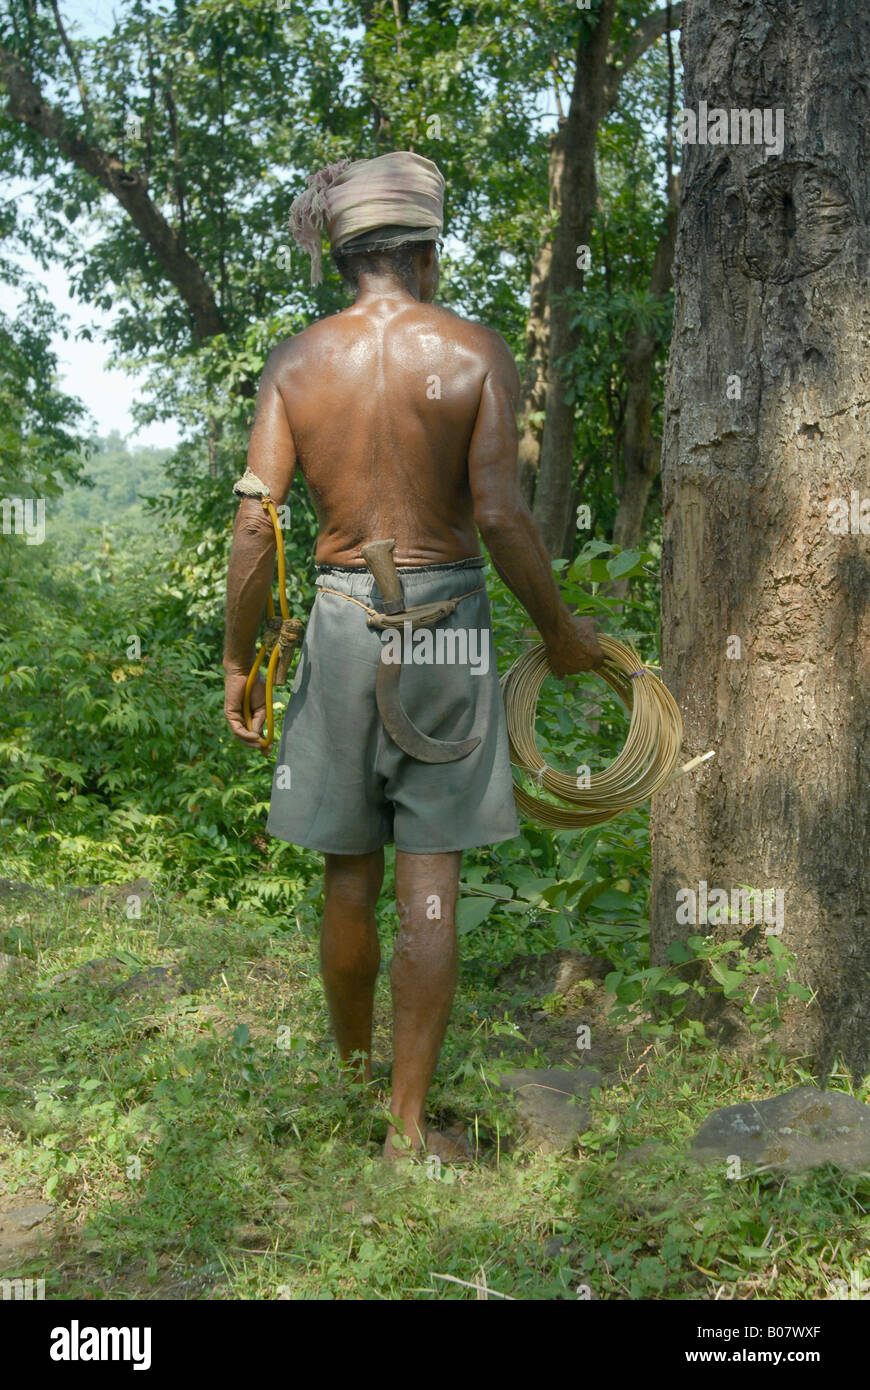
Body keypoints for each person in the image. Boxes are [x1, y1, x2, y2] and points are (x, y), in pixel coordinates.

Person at [222, 151, 603, 1160]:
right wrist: (561, 634)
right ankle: (402, 1128)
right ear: (427, 252)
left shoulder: (297, 363)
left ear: (344, 257)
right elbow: (499, 513)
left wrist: (236, 659)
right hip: (450, 624)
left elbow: (255, 528)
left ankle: (356, 1097)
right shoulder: (473, 351)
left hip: (344, 620)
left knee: (349, 874)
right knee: (428, 877)